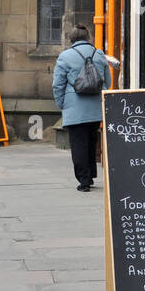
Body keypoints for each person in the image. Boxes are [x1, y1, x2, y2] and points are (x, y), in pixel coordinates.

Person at [53, 24, 111, 191]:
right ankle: (91, 174)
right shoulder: (99, 54)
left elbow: (58, 84)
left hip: (74, 107)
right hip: (95, 108)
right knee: (92, 142)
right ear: (88, 37)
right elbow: (107, 82)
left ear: (71, 38)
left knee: (78, 144)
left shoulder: (65, 56)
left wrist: (61, 103)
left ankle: (84, 181)